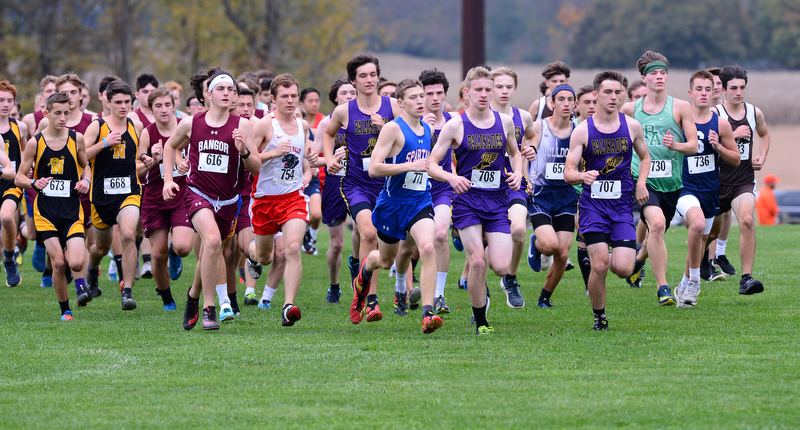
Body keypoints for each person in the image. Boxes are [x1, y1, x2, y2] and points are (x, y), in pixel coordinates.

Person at [429, 66, 523, 335]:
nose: (484, 95)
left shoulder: (504, 122)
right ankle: (481, 320)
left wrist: (517, 172)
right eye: (478, 90)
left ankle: (482, 249)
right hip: (467, 201)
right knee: (478, 262)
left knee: (500, 266)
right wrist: (452, 178)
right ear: (467, 92)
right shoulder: (455, 124)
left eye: (488, 89)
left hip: (496, 202)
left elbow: (515, 153)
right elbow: (432, 164)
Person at [164, 67, 255, 330]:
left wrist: (245, 150)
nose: (228, 94)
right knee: (213, 242)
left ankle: (192, 295)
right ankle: (209, 308)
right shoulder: (192, 123)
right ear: (209, 95)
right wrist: (170, 180)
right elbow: (171, 146)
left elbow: (256, 167)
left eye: (231, 90)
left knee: (213, 251)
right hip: (198, 194)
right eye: (221, 89)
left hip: (228, 201)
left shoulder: (242, 125)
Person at [351, 79, 443, 333]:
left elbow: (427, 167)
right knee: (383, 260)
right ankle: (363, 274)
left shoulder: (427, 129)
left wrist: (451, 177)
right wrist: (407, 166)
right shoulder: (392, 128)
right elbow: (374, 168)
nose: (421, 101)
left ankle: (427, 313)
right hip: (392, 204)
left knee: (427, 247)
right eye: (414, 97)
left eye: (422, 96)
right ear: (401, 103)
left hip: (420, 202)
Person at [564, 70, 650, 330]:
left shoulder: (632, 126)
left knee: (623, 269)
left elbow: (645, 157)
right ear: (595, 95)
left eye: (617, 92)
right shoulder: (582, 131)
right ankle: (599, 317)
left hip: (622, 206)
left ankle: (600, 255)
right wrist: (582, 176)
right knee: (600, 266)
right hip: (593, 207)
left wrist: (641, 183)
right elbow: (568, 172)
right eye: (607, 92)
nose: (613, 97)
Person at [322, 53, 401, 324]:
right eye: (363, 76)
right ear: (353, 81)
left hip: (387, 185)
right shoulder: (345, 110)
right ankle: (371, 299)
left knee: (387, 244)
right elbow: (327, 133)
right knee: (368, 233)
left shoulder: (393, 107)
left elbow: (406, 139)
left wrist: (388, 128)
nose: (369, 80)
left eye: (372, 75)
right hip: (356, 184)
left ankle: (363, 284)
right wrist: (330, 158)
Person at [621, 51, 698, 306]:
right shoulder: (631, 109)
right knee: (655, 225)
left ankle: (639, 259)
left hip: (672, 182)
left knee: (656, 232)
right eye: (654, 73)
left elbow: (694, 146)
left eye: (663, 72)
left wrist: (675, 145)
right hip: (642, 180)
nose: (660, 77)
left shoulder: (680, 107)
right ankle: (663, 287)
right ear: (644, 79)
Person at [244, 73, 316, 327]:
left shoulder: (302, 126)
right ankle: (251, 256)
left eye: (294, 96)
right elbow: (250, 162)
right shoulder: (264, 125)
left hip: (293, 198)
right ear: (273, 99)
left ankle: (288, 306)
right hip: (264, 200)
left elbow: (301, 157)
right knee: (265, 256)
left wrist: (311, 164)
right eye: (284, 96)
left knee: (292, 248)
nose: (290, 101)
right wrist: (273, 153)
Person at [16, 92, 91, 321]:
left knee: (76, 261)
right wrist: (33, 182)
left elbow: (86, 166)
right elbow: (19, 177)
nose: (62, 117)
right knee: (58, 263)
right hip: (45, 211)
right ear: (46, 114)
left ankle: (80, 285)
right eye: (57, 113)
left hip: (71, 209)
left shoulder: (76, 138)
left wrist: (85, 180)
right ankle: (65, 310)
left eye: (66, 113)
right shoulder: (34, 142)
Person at [673, 70, 740, 307]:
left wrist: (718, 147)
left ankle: (683, 285)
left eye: (708, 89)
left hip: (710, 189)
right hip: (684, 187)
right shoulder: (679, 120)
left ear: (714, 93)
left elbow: (735, 158)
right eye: (698, 89)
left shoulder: (720, 123)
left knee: (701, 240)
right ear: (690, 93)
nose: (703, 93)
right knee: (698, 225)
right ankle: (694, 280)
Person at [83, 80, 144, 311]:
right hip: (101, 196)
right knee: (100, 248)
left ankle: (127, 291)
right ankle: (92, 271)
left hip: (129, 191)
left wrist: (149, 159)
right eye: (118, 102)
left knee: (128, 234)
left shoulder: (136, 126)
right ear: (107, 101)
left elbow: (138, 158)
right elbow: (81, 157)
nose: (123, 106)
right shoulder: (97, 126)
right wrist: (104, 143)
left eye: (127, 102)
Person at [713, 65, 771, 294]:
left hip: (743, 181)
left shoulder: (754, 112)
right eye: (734, 88)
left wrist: (762, 156)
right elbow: (705, 143)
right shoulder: (715, 114)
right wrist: (732, 135)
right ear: (724, 90)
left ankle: (746, 279)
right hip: (716, 182)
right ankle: (695, 275)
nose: (739, 92)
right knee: (707, 234)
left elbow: (764, 134)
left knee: (747, 220)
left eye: (742, 87)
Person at [136, 87, 194, 311]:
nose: (163, 110)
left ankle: (174, 251)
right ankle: (167, 298)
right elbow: (138, 168)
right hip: (154, 198)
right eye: (158, 106)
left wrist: (187, 164)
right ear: (150, 109)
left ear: (174, 106)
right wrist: (151, 159)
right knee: (158, 254)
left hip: (182, 196)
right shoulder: (147, 133)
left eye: (167, 105)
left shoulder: (186, 129)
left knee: (183, 247)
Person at [525, 85, 578, 308]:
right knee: (549, 246)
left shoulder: (579, 131)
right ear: (552, 103)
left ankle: (545, 297)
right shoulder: (538, 127)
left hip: (566, 195)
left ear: (575, 105)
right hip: (540, 194)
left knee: (563, 254)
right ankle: (535, 243)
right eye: (561, 99)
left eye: (570, 100)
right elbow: (521, 156)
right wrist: (525, 179)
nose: (566, 103)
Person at [489, 66, 536, 309]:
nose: (504, 91)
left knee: (518, 229)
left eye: (509, 86)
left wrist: (532, 148)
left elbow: (532, 135)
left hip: (513, 181)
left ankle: (511, 277)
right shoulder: (481, 115)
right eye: (499, 86)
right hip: (483, 185)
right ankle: (478, 282)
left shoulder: (523, 116)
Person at [313, 78, 358, 304]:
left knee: (364, 228)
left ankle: (357, 262)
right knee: (337, 244)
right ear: (335, 99)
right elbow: (312, 158)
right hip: (334, 183)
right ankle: (334, 285)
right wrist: (330, 159)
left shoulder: (366, 121)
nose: (349, 96)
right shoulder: (327, 123)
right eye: (344, 93)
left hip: (361, 181)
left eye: (353, 92)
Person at [419, 68, 458, 314]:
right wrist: (425, 129)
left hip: (442, 187)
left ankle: (440, 294)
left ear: (445, 94)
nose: (434, 98)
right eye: (429, 93)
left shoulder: (454, 122)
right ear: (420, 95)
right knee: (408, 247)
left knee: (441, 234)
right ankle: (402, 286)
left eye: (439, 93)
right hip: (413, 188)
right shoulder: (409, 120)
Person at [0, 80, 27, 286]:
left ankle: (9, 260)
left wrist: (26, 170)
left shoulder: (20, 127)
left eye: (10, 100)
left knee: (8, 217)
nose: (5, 104)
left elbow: (27, 151)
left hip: (12, 183)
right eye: (1, 100)